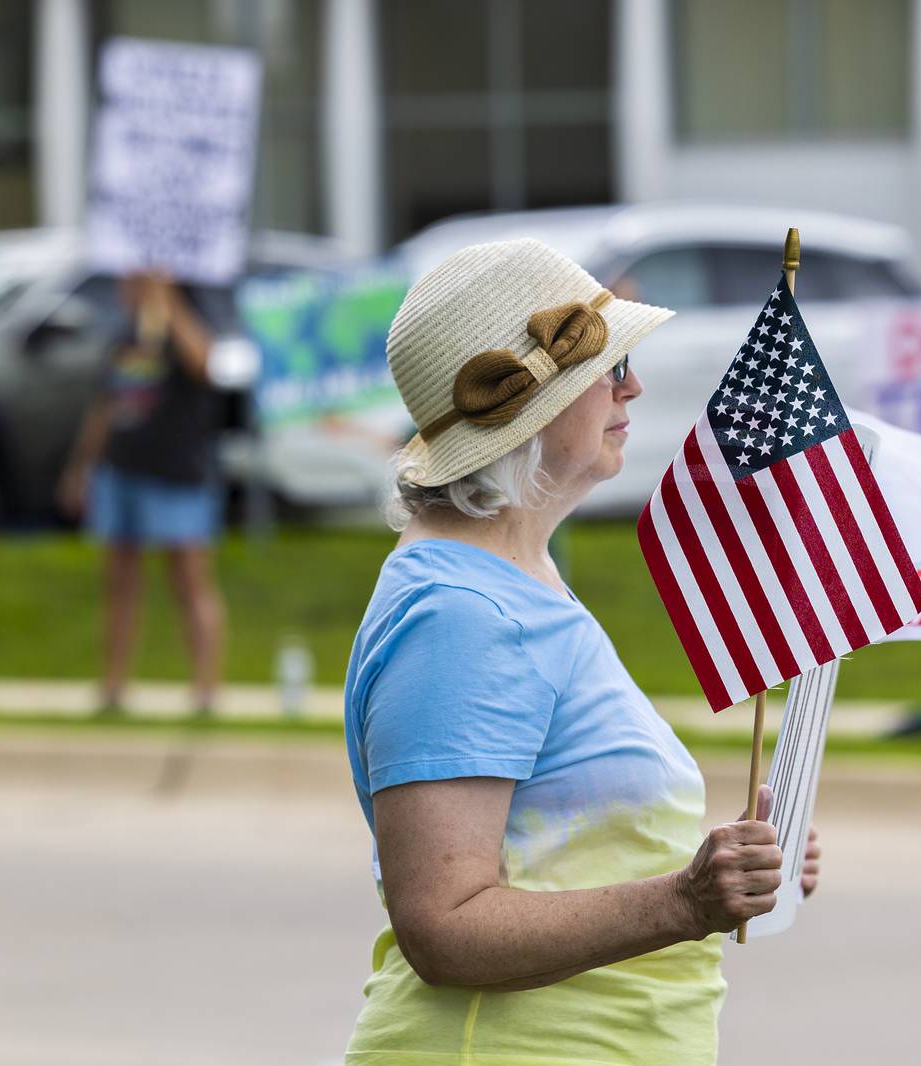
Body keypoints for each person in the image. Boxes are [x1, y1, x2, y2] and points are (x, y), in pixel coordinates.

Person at [342, 238, 819, 1065]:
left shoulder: (509, 580)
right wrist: (684, 900)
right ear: (527, 404)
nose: (632, 385)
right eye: (609, 365)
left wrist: (730, 869)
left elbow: (562, 848)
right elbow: (445, 926)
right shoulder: (461, 612)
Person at [57, 273, 227, 718]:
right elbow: (105, 407)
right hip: (121, 471)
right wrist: (82, 468)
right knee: (119, 583)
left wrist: (167, 301)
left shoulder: (189, 322)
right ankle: (113, 686)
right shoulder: (123, 337)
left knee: (190, 581)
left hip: (176, 473)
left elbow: (207, 367)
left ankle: (206, 690)